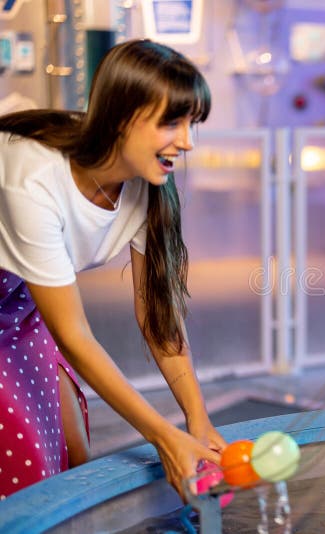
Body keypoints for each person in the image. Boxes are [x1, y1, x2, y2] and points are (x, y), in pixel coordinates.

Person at [0, 39, 225, 500]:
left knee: (71, 453)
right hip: (25, 302)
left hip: (19, 304)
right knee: (28, 463)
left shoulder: (147, 185)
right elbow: (75, 336)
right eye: (171, 122)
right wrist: (164, 436)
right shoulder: (33, 178)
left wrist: (197, 422)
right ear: (122, 116)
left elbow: (159, 320)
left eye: (191, 123)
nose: (186, 141)